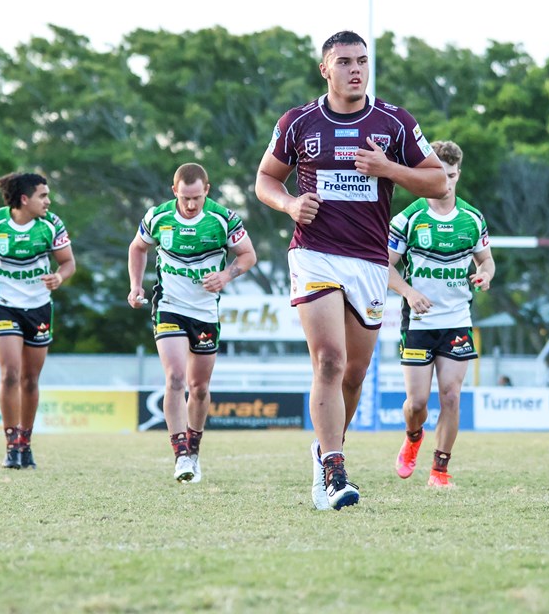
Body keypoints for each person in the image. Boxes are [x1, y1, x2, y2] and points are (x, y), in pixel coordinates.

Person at [255, 30, 446, 510]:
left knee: (355, 375)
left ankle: (324, 451)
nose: (355, 69)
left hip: (368, 261)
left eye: (362, 61)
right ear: (325, 69)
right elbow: (265, 179)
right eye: (344, 62)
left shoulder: (393, 122)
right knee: (329, 360)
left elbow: (437, 179)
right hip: (314, 253)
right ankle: (335, 471)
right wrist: (288, 203)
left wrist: (389, 169)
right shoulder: (298, 121)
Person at [127, 162, 257, 483]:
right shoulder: (158, 217)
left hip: (205, 312)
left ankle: (194, 447)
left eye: (196, 197)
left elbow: (248, 256)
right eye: (185, 197)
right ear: (175, 192)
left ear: (207, 191)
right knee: (174, 377)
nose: (190, 204)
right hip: (169, 305)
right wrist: (135, 285)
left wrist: (226, 275)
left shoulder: (223, 220)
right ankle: (181, 455)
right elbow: (138, 247)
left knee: (198, 388)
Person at [387, 139, 494, 489]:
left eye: (450, 176)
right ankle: (413, 436)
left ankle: (440, 471)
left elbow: (486, 259)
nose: (444, 183)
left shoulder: (472, 218)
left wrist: (486, 275)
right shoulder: (408, 218)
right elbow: (383, 268)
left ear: (457, 174)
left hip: (457, 320)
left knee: (451, 394)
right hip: (418, 323)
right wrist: (408, 291)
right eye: (438, 175)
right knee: (416, 403)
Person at [0, 172, 75, 470]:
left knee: (29, 379)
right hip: (4, 307)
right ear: (25, 199)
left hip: (38, 309)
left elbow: (68, 261)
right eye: (43, 196)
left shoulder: (51, 225)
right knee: (10, 372)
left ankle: (26, 442)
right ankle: (11, 445)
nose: (48, 201)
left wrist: (59, 277)